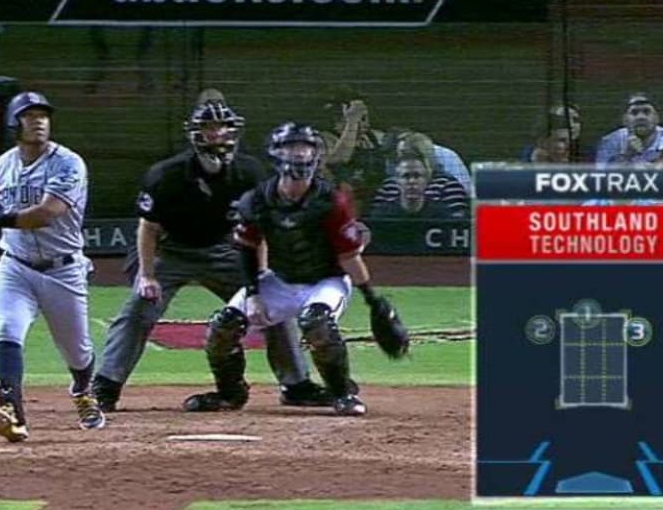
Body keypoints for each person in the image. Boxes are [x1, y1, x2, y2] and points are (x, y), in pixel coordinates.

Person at [89, 90, 332, 413]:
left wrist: (261, 279)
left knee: (275, 306)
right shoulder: (167, 175)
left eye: (222, 127)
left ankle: (296, 384)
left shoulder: (250, 172)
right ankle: (106, 386)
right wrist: (147, 275)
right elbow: (148, 228)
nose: (216, 134)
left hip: (224, 250)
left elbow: (256, 232)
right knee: (138, 308)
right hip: (170, 251)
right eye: (209, 128)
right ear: (195, 133)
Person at [184, 122, 378, 417]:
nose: (298, 155)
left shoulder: (331, 202)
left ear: (316, 155)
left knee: (318, 323)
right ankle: (229, 393)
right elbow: (248, 249)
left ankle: (340, 394)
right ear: (276, 154)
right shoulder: (257, 200)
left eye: (305, 148)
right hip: (281, 280)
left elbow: (349, 256)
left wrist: (373, 299)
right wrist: (253, 293)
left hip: (325, 281)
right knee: (223, 325)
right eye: (291, 148)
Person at [0, 90, 106, 441]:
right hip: (16, 266)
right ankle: (12, 412)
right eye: (29, 115)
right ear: (13, 123)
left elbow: (46, 214)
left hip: (63, 269)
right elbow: (11, 222)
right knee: (8, 330)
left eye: (43, 115)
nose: (38, 121)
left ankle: (83, 390)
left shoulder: (68, 163)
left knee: (77, 351)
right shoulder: (4, 164)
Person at [594, 93, 663, 166]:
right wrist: (627, 155)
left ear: (657, 118)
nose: (640, 117)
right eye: (634, 112)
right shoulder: (610, 141)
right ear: (624, 120)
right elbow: (602, 181)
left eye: (647, 112)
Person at [368, 150, 470, 219]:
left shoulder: (442, 215)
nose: (412, 181)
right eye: (406, 176)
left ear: (426, 180)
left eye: (417, 176)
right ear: (397, 181)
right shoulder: (381, 215)